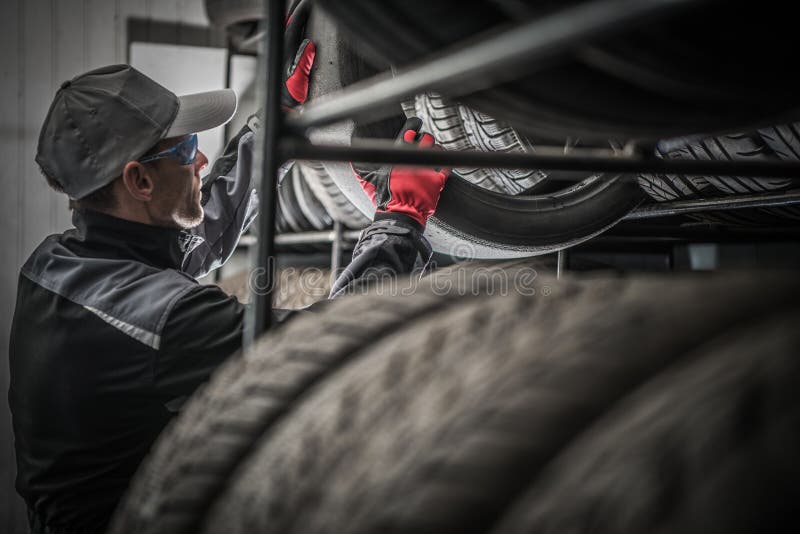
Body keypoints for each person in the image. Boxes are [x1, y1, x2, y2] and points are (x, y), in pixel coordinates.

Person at [7, 36, 449, 534]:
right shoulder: (165, 324)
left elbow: (193, 241)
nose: (200, 162)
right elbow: (331, 341)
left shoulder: (58, 263)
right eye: (187, 149)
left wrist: (276, 122)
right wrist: (400, 221)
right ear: (139, 182)